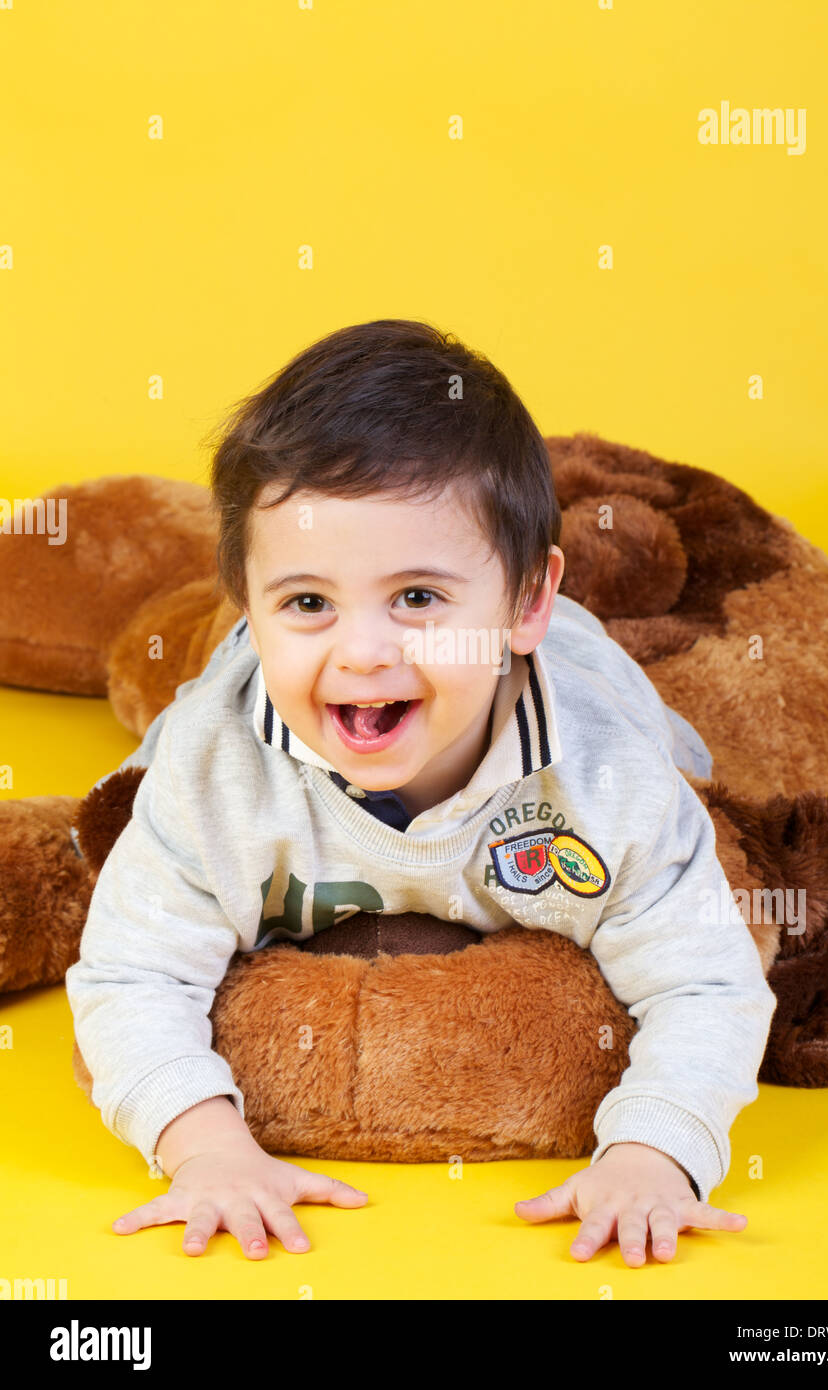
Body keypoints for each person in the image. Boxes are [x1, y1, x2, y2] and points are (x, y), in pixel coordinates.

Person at [65, 318, 777, 1266]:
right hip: (243, 694)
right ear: (249, 599)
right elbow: (128, 974)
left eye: (417, 598)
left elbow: (707, 981)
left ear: (528, 600)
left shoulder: (608, 782)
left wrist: (654, 1154)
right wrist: (206, 1150)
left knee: (704, 780)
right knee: (134, 792)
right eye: (308, 601)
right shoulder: (213, 773)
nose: (363, 652)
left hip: (565, 678)